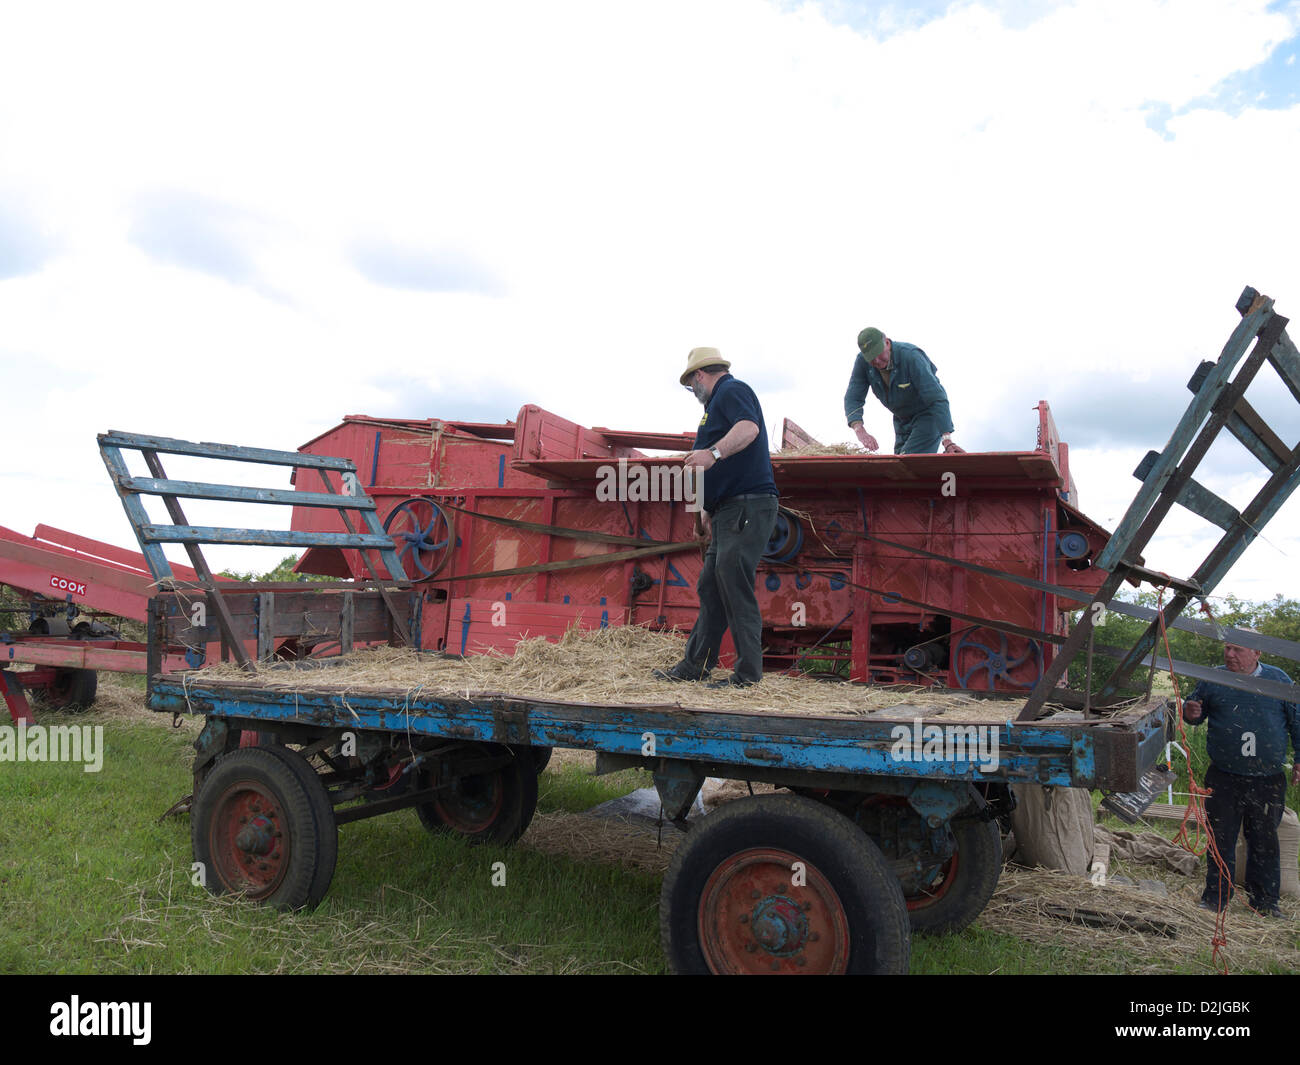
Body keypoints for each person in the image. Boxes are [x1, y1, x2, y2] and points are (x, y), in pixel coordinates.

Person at [653, 347, 779, 688]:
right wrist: (706, 513)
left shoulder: (732, 390)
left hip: (747, 506)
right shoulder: (715, 407)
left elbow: (749, 428)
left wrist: (712, 452)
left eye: (690, 384)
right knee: (711, 586)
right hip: (729, 510)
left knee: (733, 585)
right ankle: (696, 665)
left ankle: (747, 677)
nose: (692, 392)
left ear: (700, 375)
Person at [1181, 638, 1300, 917]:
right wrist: (1191, 711)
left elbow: (1297, 722)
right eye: (1227, 649)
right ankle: (1216, 899)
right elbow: (1194, 711)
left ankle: (1266, 903)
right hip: (1224, 776)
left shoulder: (1278, 680)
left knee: (1264, 840)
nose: (1230, 654)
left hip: (1267, 778)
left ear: (1257, 652)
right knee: (1220, 839)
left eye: (1238, 649)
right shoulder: (1214, 678)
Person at [844, 327, 962, 454]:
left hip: (927, 417)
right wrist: (859, 429)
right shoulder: (862, 362)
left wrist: (947, 440)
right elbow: (853, 396)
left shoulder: (911, 356)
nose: (876, 361)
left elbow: (936, 397)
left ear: (887, 343)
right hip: (901, 420)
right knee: (899, 462)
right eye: (871, 358)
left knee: (907, 460)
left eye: (878, 353)